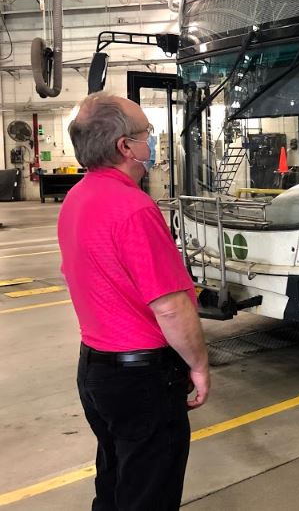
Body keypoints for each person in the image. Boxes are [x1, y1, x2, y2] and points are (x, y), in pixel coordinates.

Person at [58, 93, 209, 511]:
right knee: (149, 494)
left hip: (95, 370)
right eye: (146, 134)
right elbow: (170, 307)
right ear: (126, 147)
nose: (152, 142)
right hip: (141, 379)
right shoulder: (134, 209)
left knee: (114, 478)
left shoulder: (76, 199)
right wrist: (197, 366)